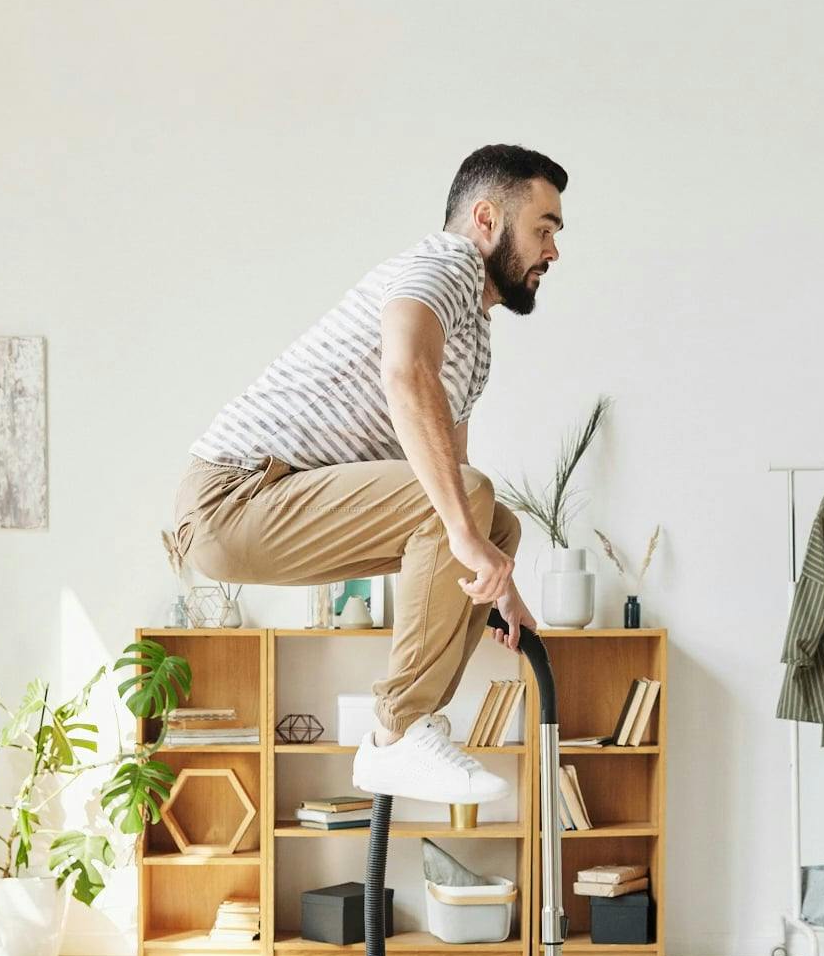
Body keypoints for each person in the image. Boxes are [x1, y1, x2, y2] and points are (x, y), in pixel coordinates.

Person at [170, 142, 565, 803]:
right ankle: (397, 734)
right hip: (233, 495)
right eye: (543, 229)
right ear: (488, 220)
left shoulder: (475, 340)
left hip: (277, 500)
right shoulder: (443, 265)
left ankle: (410, 730)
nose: (553, 252)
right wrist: (464, 534)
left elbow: (450, 473)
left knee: (493, 520)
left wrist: (497, 577)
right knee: (466, 510)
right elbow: (404, 371)